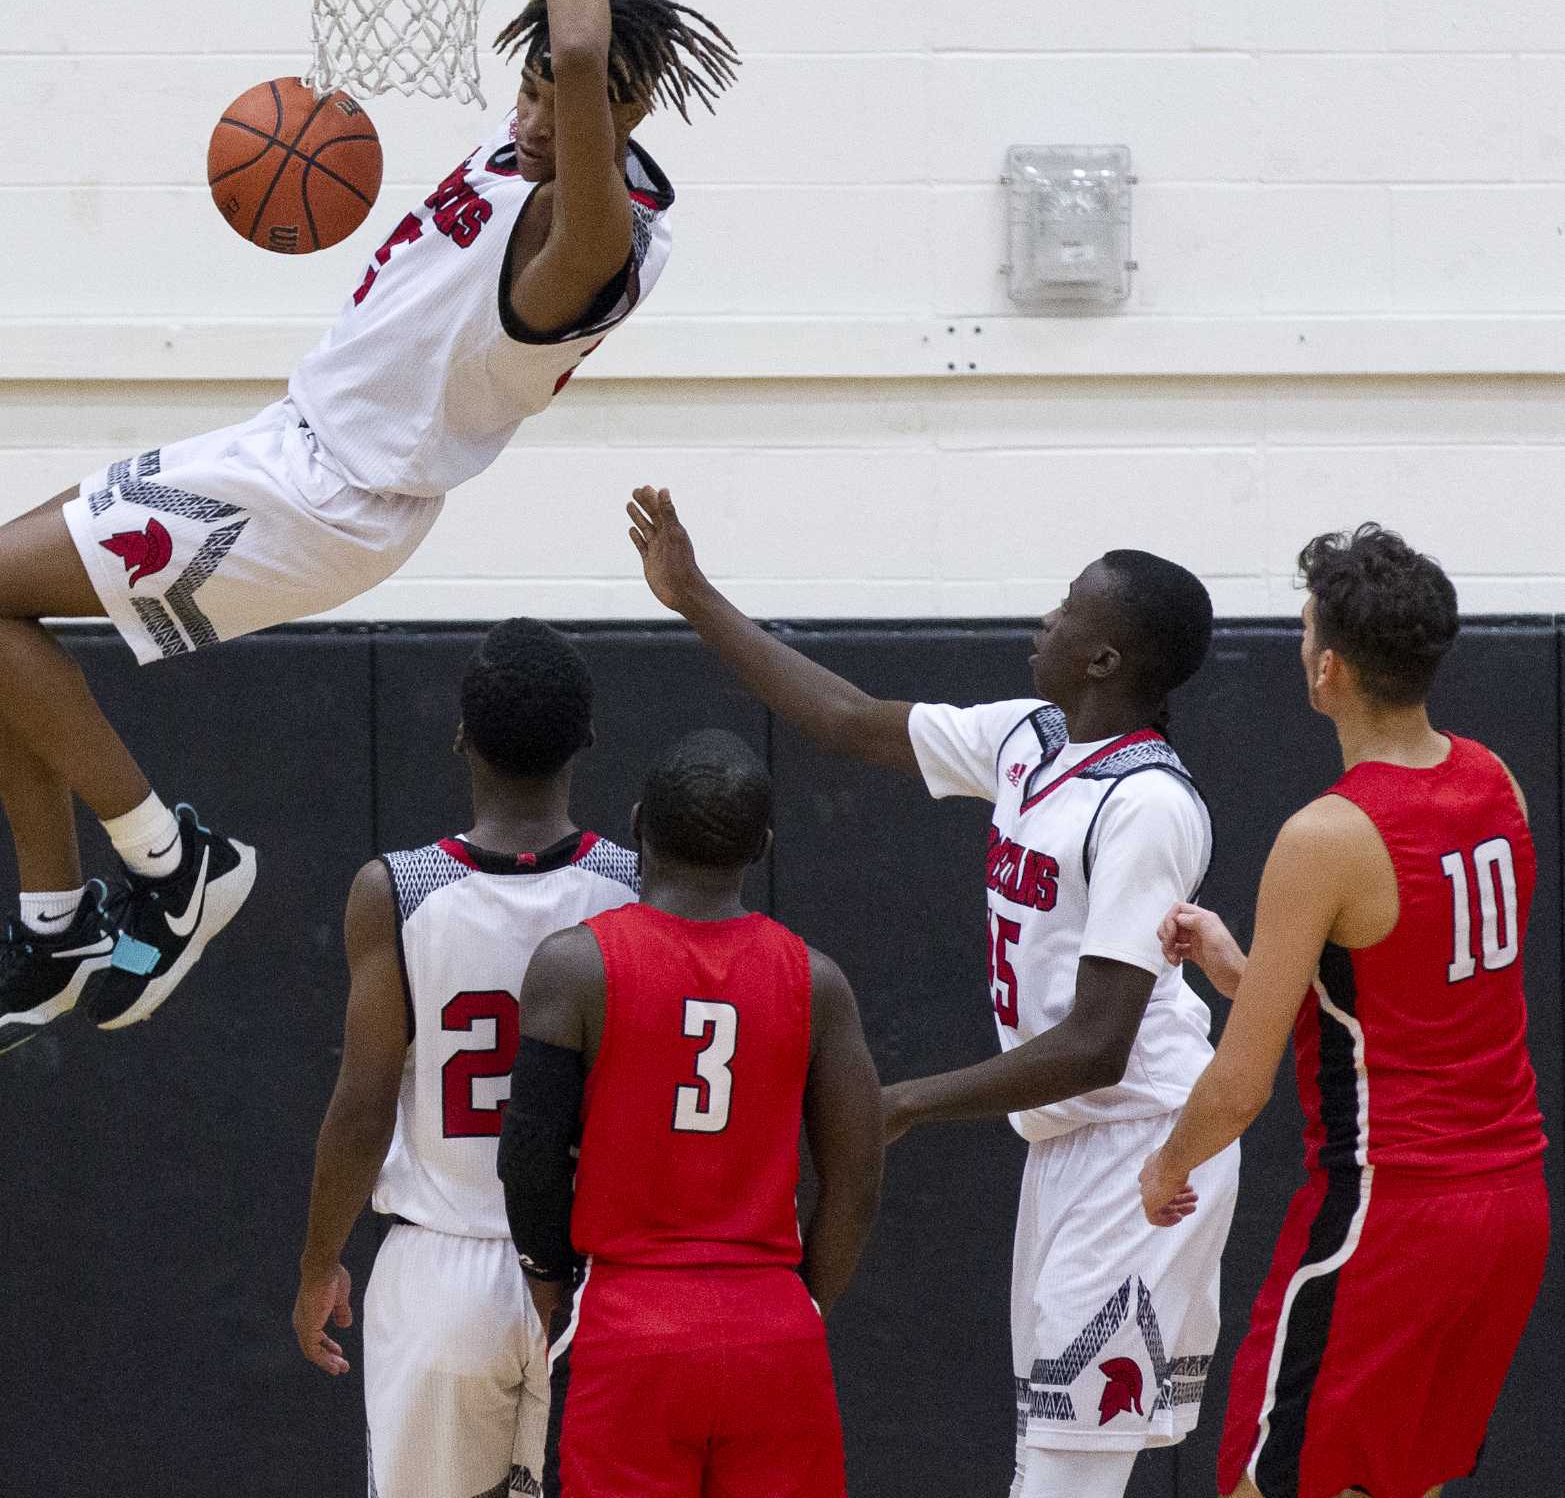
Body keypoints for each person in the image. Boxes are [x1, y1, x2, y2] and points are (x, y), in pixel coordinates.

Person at [0, 0, 737, 1059]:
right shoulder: (556, 113)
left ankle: (172, 866)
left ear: (624, 115)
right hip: (287, 447)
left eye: (561, 91)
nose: (534, 104)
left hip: (325, 497)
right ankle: (59, 914)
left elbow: (590, 46)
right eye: (524, 80)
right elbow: (601, 19)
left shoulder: (587, 248)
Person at [625, 487, 1238, 1498]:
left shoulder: (1147, 805)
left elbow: (1097, 1041)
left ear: (1105, 658)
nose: (1044, 616)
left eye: (1066, 607)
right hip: (1063, 1142)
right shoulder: (1028, 737)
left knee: (1064, 1472)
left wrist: (903, 1098)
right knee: (1047, 1453)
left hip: (1143, 1144)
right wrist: (694, 595)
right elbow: (846, 717)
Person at [1140, 524, 1550, 1498]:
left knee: (1260, 1479)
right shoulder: (1497, 782)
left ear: (1325, 664)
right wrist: (1240, 962)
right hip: (1507, 1211)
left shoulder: (1325, 834)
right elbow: (1401, 993)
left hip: (1385, 1214)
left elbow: (1238, 1087)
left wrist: (1165, 1165)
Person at [290, 619, 640, 1498]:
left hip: (442, 1272)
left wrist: (315, 1266)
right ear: (587, 741)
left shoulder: (397, 891)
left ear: (460, 737)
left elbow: (364, 1103)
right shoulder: (637, 888)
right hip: (597, 1280)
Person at [499, 730, 883, 1498]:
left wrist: (548, 1282)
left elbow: (529, 1156)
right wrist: (801, 1301)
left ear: (638, 823)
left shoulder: (574, 965)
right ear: (763, 846)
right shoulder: (819, 980)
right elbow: (857, 1183)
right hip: (773, 1326)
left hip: (628, 1320)